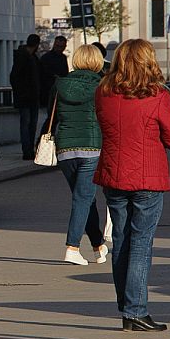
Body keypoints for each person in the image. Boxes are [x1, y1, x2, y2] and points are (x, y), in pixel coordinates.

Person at [94, 39, 170, 332]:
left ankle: (127, 308)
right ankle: (136, 311)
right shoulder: (157, 95)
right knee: (141, 243)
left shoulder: (103, 92)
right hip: (147, 177)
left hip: (114, 174)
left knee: (121, 241)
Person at [50, 44, 108, 266]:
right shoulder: (102, 85)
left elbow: (51, 115)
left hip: (65, 148)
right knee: (83, 198)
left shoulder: (60, 84)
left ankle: (98, 246)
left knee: (85, 197)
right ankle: (72, 247)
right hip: (91, 146)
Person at [10, 34, 41, 159]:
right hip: (27, 97)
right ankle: (28, 150)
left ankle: (29, 149)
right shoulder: (26, 57)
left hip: (29, 97)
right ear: (37, 44)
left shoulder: (29, 57)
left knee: (29, 124)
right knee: (28, 124)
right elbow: (15, 77)